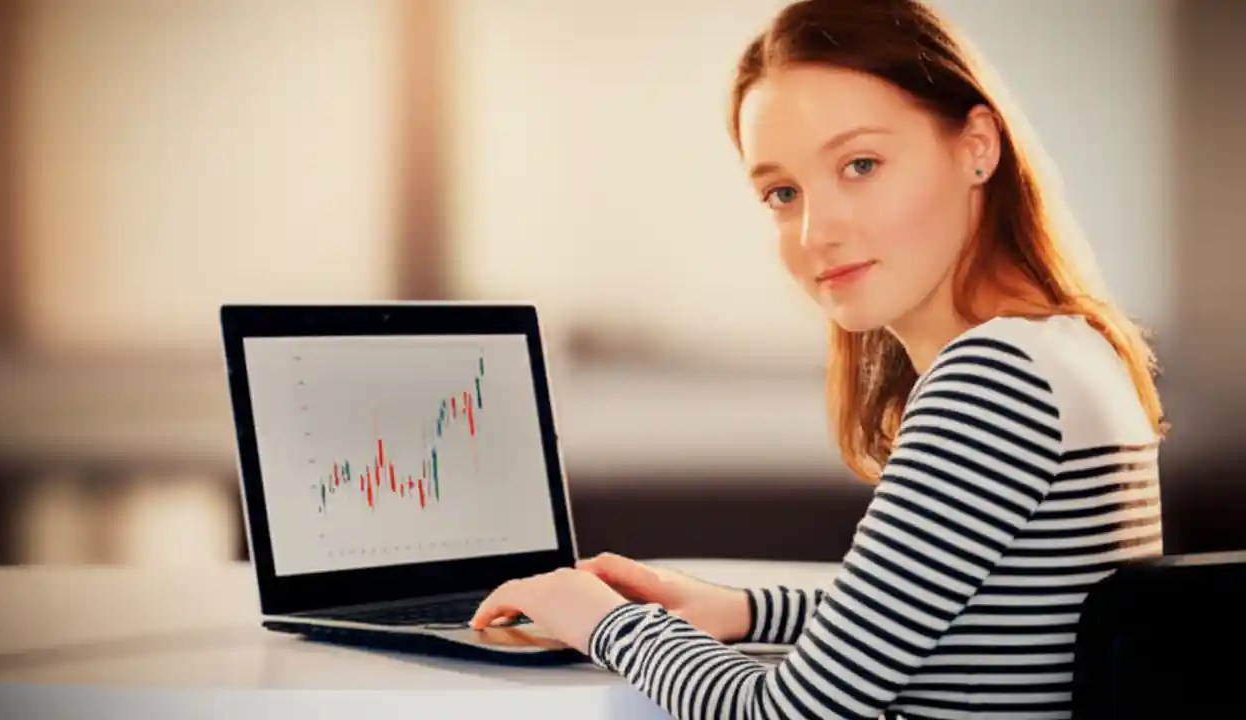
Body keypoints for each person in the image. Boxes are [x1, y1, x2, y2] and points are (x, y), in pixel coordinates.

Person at [469, 0, 1167, 717]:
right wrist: (740, 610)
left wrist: (599, 620)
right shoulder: (1072, 349)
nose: (817, 230)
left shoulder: (993, 381)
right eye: (783, 193)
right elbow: (949, 619)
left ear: (977, 146)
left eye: (860, 164)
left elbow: (792, 712)